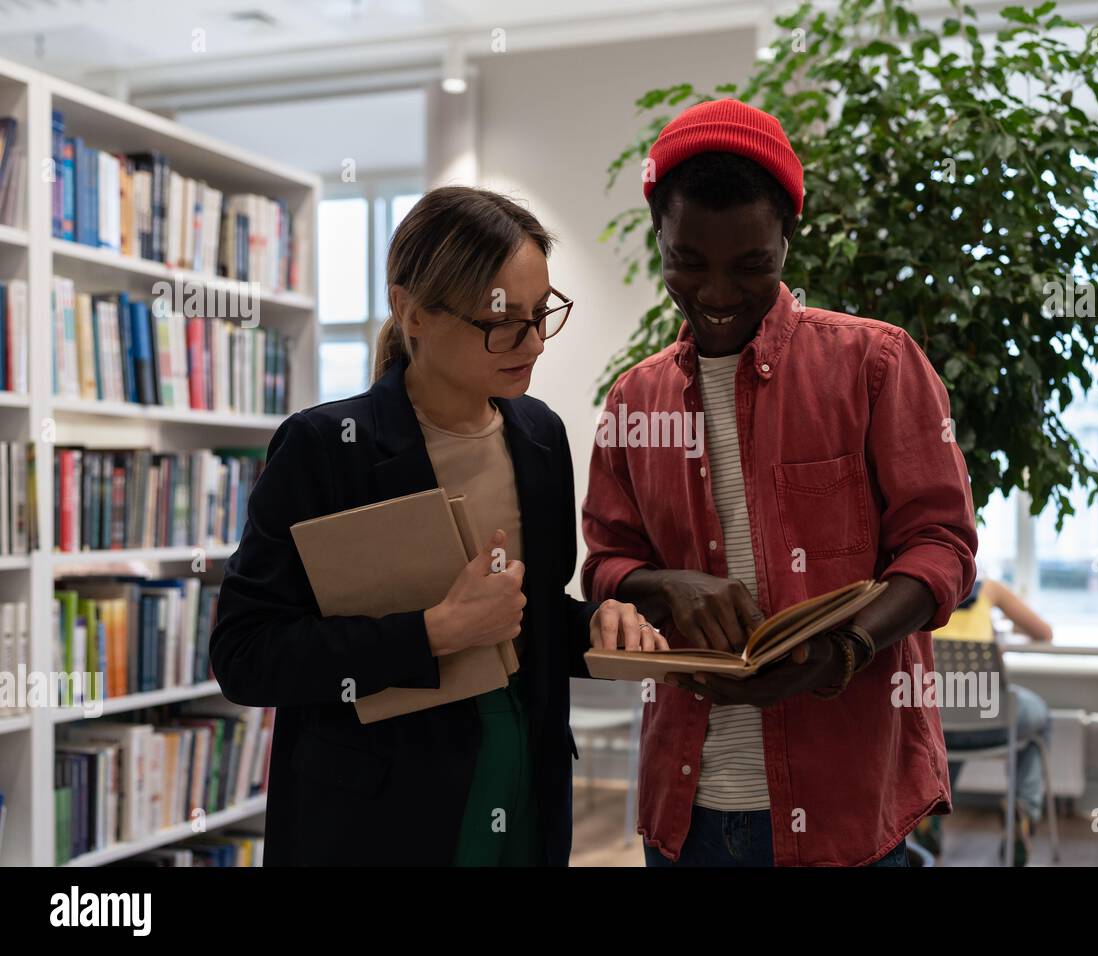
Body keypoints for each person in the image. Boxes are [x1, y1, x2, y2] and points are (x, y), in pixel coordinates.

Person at [210, 186, 662, 866]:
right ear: (412, 312)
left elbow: (523, 620)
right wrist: (431, 633)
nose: (533, 342)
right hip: (380, 814)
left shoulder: (538, 435)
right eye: (503, 321)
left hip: (524, 785)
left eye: (543, 314)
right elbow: (246, 657)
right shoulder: (325, 449)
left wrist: (594, 625)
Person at [581, 99, 979, 867]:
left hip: (848, 806)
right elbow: (604, 567)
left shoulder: (876, 365)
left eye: (752, 265)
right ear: (658, 241)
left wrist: (848, 651)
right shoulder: (635, 401)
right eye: (689, 263)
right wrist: (671, 587)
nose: (719, 292)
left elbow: (942, 550)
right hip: (685, 811)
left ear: (789, 243)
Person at [917, 577, 1054, 865]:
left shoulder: (919, 595)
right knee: (1038, 719)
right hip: (989, 720)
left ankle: (931, 810)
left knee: (955, 718)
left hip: (935, 722)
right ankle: (1024, 810)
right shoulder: (989, 589)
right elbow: (1044, 631)